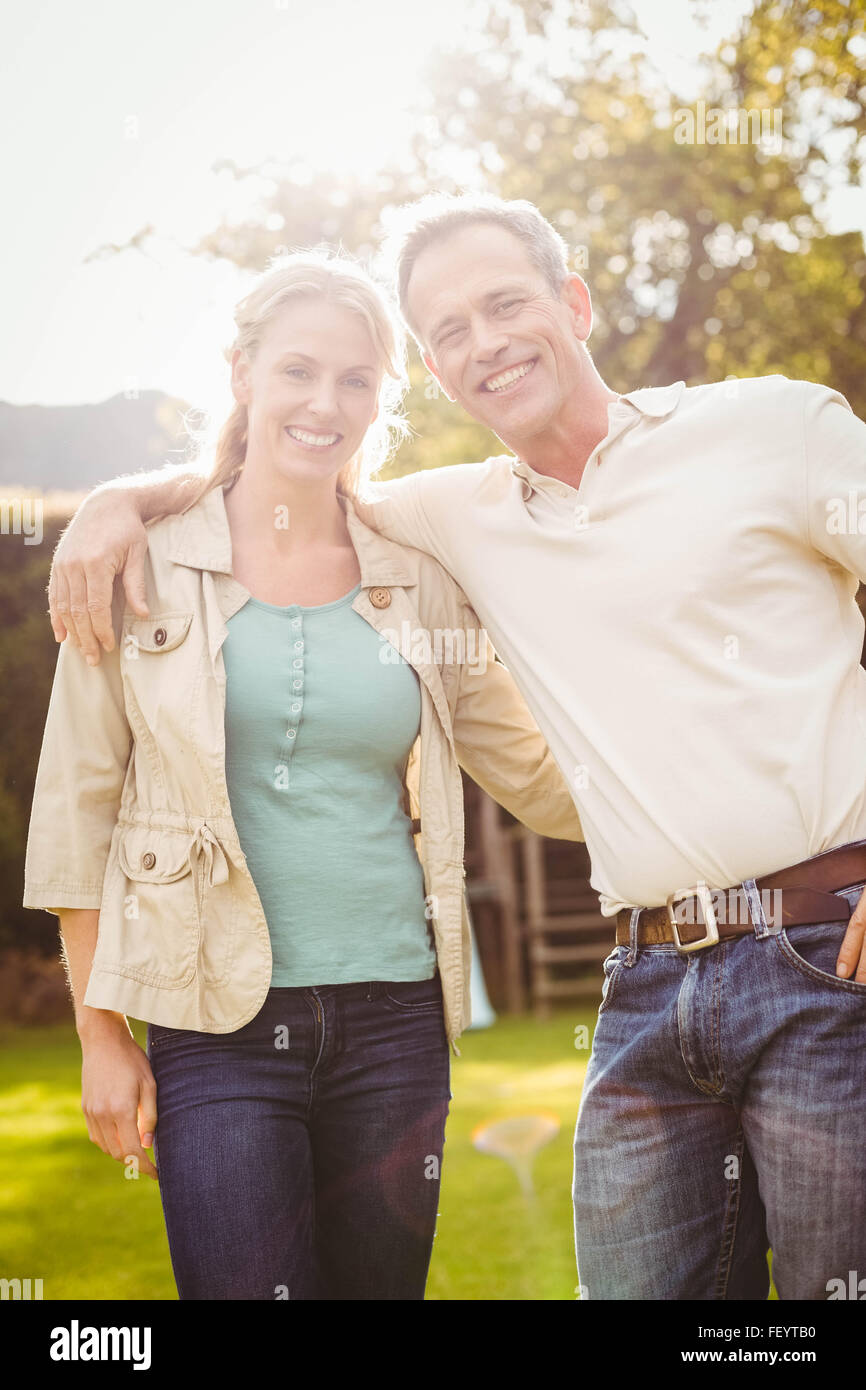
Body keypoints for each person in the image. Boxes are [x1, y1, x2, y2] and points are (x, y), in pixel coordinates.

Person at [44, 192, 866, 1301]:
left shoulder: (760, 432)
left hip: (818, 957)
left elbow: (307, 452)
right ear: (432, 371)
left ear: (574, 303)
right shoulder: (430, 521)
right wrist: (113, 503)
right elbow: (281, 477)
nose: (485, 342)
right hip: (636, 982)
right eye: (449, 330)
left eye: (506, 304)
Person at [23, 247, 585, 1302]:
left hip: (395, 1023)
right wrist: (100, 1034)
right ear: (242, 373)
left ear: (381, 398)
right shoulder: (138, 563)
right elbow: (75, 811)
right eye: (298, 371)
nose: (325, 403)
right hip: (214, 1023)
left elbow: (541, 776)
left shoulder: (416, 577)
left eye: (355, 380)